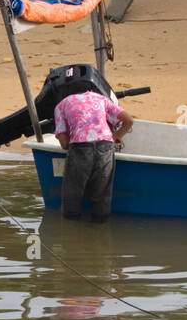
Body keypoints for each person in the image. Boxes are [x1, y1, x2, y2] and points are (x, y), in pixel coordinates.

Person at [53, 88, 133, 222]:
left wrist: (65, 136)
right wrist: (117, 136)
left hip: (80, 147)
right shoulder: (101, 98)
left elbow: (65, 144)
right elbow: (129, 120)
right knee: (102, 195)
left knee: (73, 193)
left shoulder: (61, 105)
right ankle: (100, 230)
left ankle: (71, 231)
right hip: (105, 146)